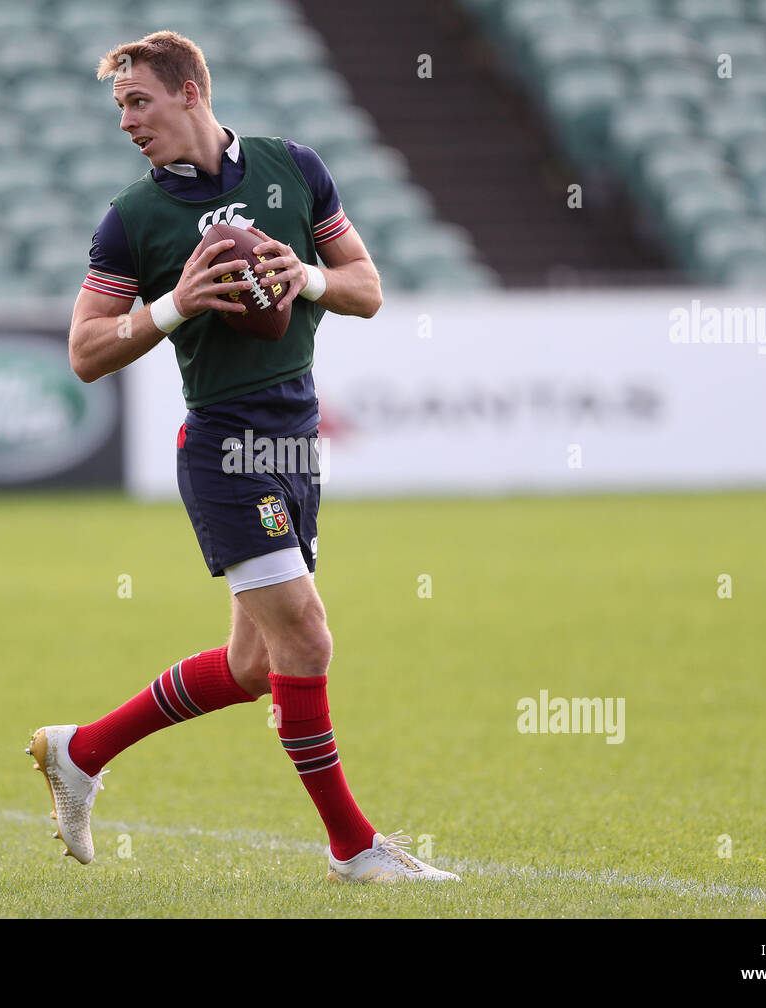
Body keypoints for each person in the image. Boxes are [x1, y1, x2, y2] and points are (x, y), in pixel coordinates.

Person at [26, 30, 457, 884]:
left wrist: (308, 274)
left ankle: (81, 751)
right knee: (306, 636)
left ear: (191, 91)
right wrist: (175, 306)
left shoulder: (292, 168)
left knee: (254, 666)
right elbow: (84, 350)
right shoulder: (134, 219)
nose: (126, 122)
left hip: (295, 441)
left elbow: (366, 287)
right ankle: (355, 849)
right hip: (225, 448)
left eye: (137, 101)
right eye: (119, 107)